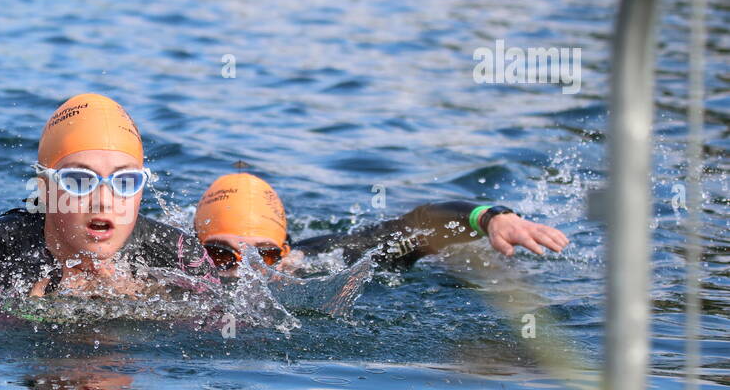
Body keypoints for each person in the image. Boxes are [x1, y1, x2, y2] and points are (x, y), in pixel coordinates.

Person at [0, 93, 218, 299]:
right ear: (45, 188)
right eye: (80, 180)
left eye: (125, 181)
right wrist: (29, 313)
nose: (104, 200)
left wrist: (149, 306)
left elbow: (224, 332)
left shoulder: (179, 256)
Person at [193, 171, 569, 276]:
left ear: (287, 254)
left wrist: (489, 218)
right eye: (221, 255)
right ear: (193, 250)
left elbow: (416, 227)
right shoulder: (166, 264)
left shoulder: (326, 262)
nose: (244, 272)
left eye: (265, 255)